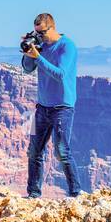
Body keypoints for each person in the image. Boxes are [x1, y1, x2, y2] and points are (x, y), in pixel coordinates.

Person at [21, 12, 82, 197]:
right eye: (36, 33)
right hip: (42, 107)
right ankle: (33, 193)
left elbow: (60, 74)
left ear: (52, 28)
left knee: (62, 151)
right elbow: (27, 69)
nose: (40, 36)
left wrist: (38, 56)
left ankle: (76, 193)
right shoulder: (41, 45)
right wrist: (28, 52)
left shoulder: (67, 46)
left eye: (42, 33)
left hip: (62, 108)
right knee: (34, 151)